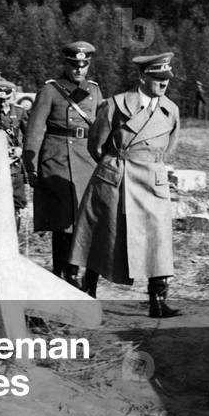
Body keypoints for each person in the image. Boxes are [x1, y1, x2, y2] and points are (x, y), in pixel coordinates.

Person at [69, 53, 182, 317]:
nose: (163, 83)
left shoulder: (171, 110)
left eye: (166, 78)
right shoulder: (114, 104)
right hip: (116, 176)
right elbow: (96, 145)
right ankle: (88, 296)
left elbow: (169, 146)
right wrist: (116, 164)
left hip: (152, 179)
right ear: (143, 77)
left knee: (158, 238)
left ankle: (157, 301)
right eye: (157, 77)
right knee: (101, 234)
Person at [23, 41, 103, 288]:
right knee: (64, 222)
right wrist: (31, 165)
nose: (79, 70)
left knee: (84, 220)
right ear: (66, 64)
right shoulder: (50, 90)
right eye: (74, 65)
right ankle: (63, 276)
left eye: (83, 65)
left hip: (87, 160)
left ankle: (75, 272)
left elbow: (101, 127)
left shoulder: (95, 90)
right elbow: (35, 130)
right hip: (58, 158)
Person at [0, 79, 29, 231]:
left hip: (14, 167)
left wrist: (21, 149)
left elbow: (30, 136)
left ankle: (13, 239)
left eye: (5, 99)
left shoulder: (19, 112)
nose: (2, 103)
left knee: (16, 203)